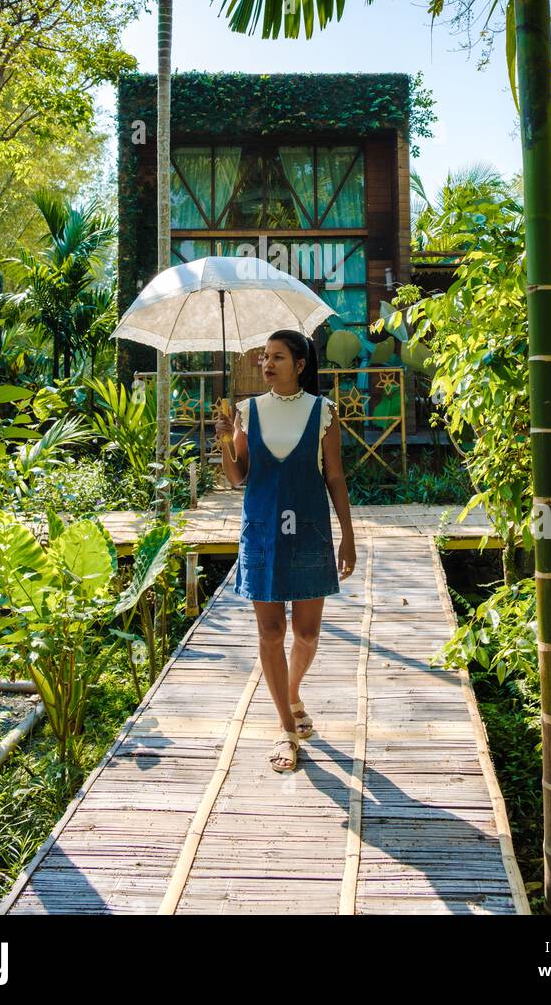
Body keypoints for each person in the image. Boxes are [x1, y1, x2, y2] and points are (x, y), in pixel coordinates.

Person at [212, 330, 356, 774]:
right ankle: (284, 729)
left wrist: (347, 535)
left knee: (307, 635)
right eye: (264, 358)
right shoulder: (246, 413)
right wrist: (222, 441)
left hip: (309, 531)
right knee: (271, 633)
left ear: (300, 364)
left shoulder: (323, 412)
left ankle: (291, 693)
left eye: (277, 357)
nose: (267, 364)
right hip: (261, 533)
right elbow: (238, 478)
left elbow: (333, 477)